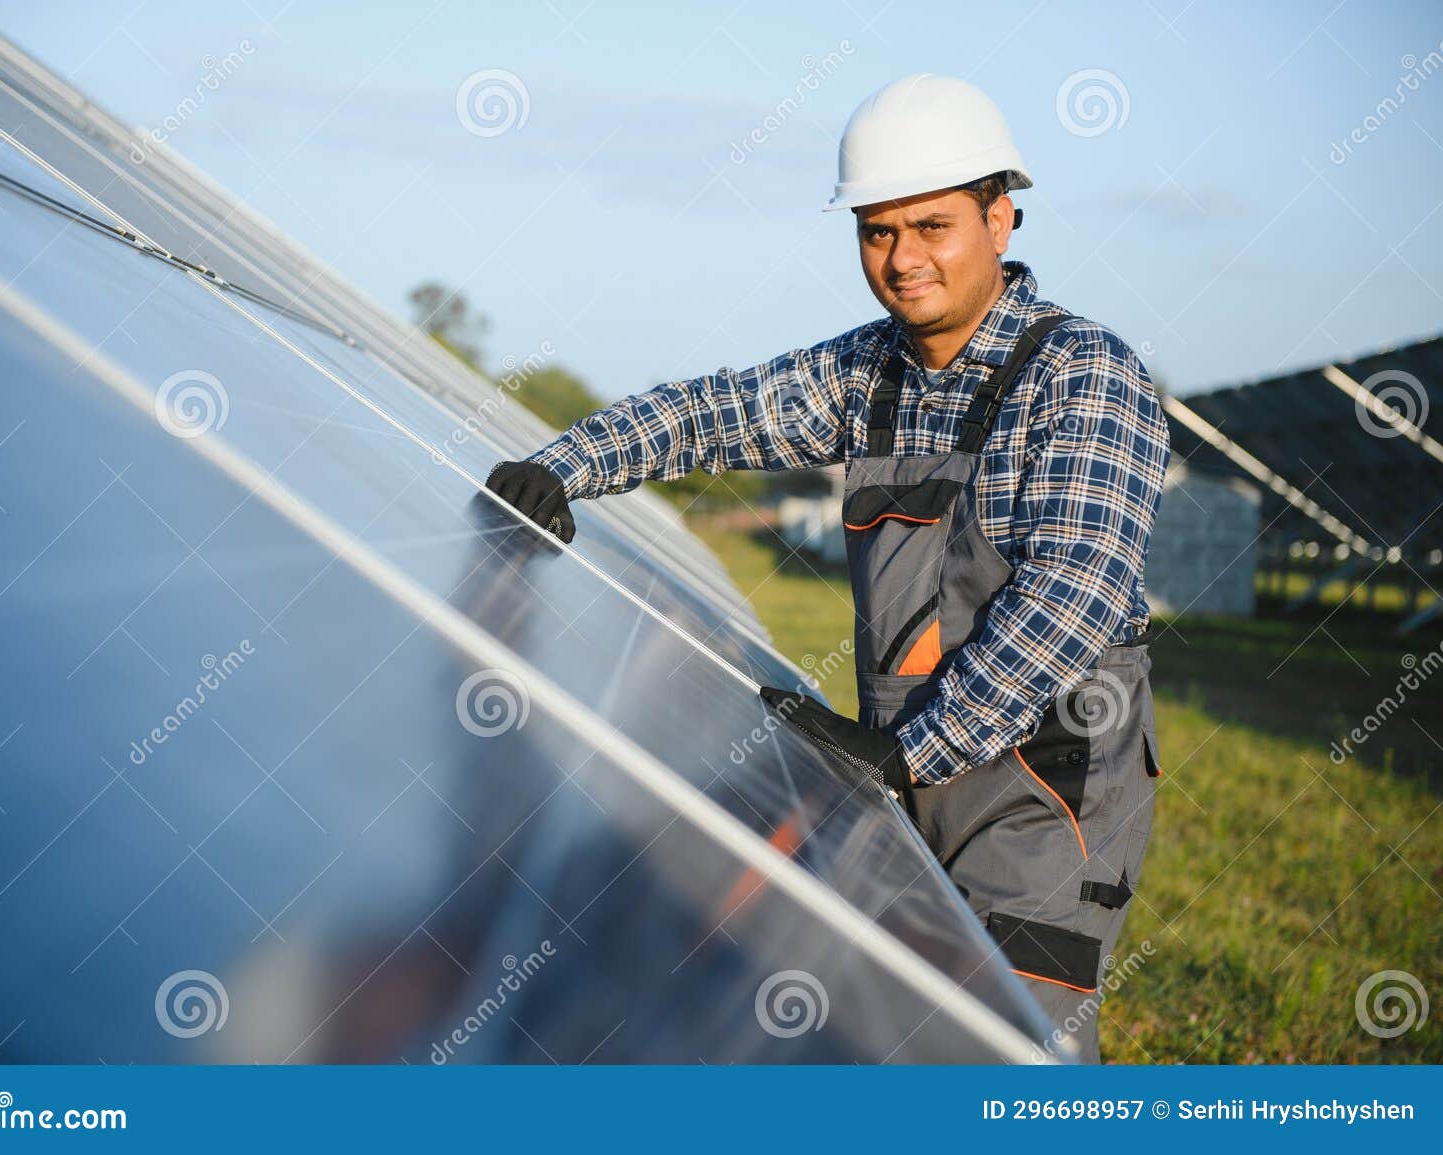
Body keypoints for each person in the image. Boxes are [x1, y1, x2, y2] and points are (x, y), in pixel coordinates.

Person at [484, 74, 1170, 1063]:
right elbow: (713, 412)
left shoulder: (1080, 372)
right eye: (877, 232)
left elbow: (1076, 590)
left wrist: (909, 754)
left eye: (931, 227)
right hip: (900, 767)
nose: (902, 261)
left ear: (1001, 217)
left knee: (1007, 1048)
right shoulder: (869, 373)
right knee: (880, 1033)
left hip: (1043, 791)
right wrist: (562, 466)